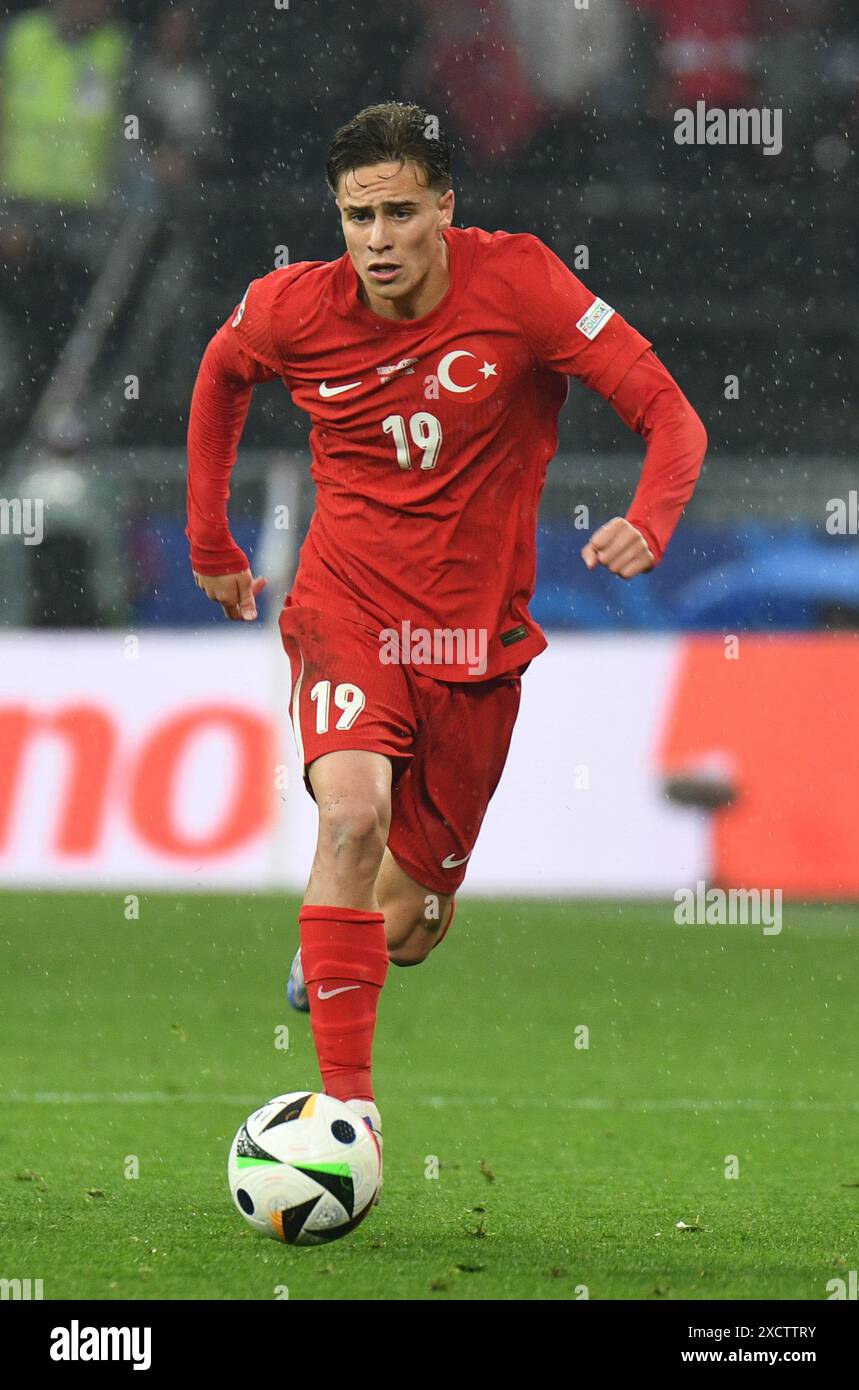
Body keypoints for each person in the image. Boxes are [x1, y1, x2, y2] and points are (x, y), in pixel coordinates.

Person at [185, 101, 708, 1194]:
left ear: (443, 208)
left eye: (397, 213)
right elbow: (220, 374)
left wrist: (649, 517)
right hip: (346, 609)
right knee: (350, 815)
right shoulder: (294, 308)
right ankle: (347, 1113)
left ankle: (345, 950)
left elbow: (668, 413)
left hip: (474, 642)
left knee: (413, 923)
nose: (375, 238)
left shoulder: (519, 286)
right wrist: (210, 537)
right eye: (355, 216)